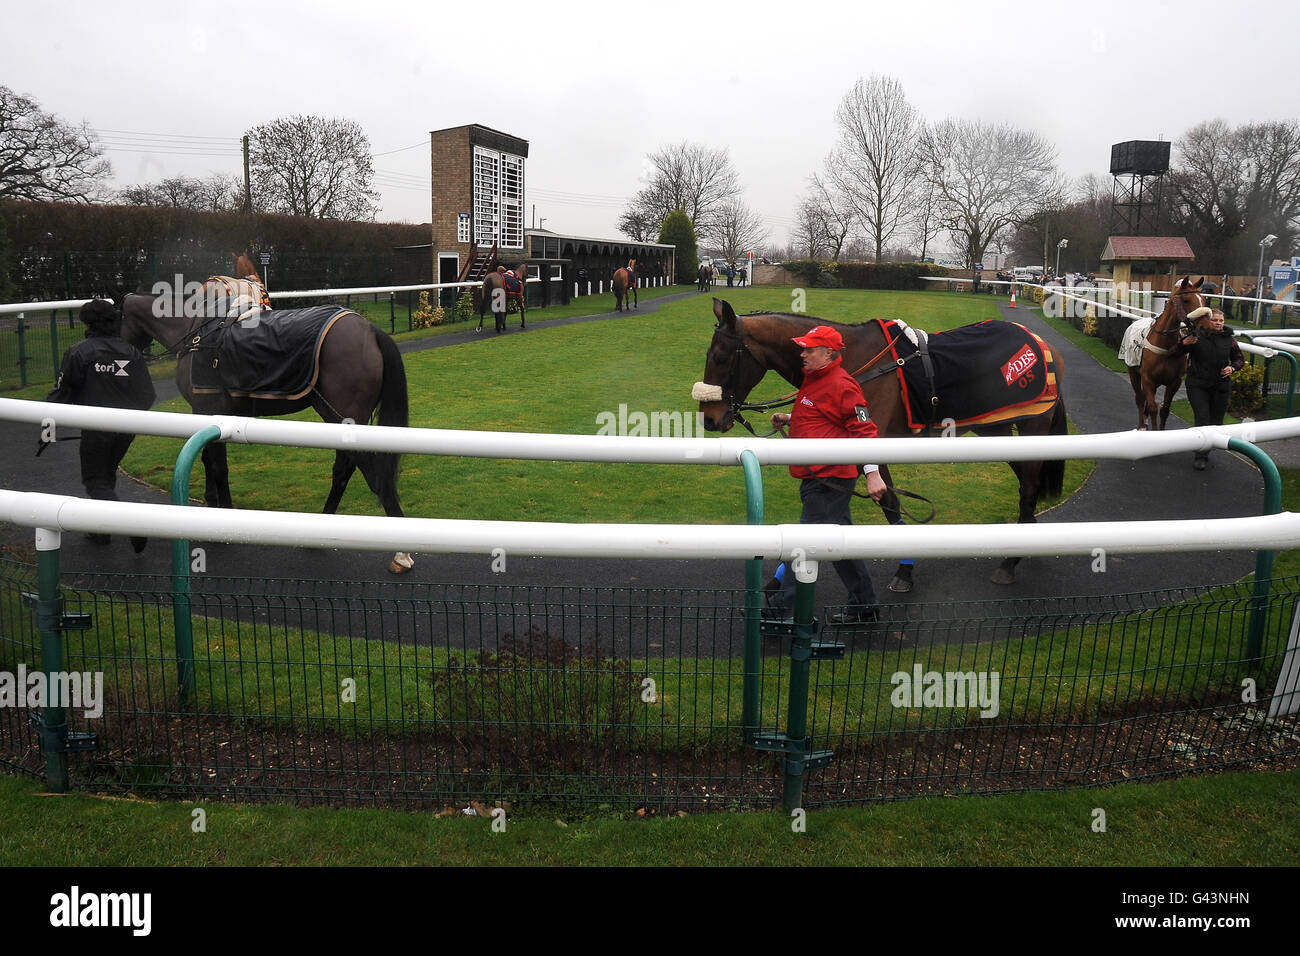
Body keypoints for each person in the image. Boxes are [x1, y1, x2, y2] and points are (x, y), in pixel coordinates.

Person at [767, 325, 886, 624]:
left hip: (830, 481)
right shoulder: (816, 378)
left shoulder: (843, 385)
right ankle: (865, 606)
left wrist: (873, 474)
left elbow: (864, 432)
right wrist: (790, 418)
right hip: (820, 478)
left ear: (828, 353)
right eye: (803, 348)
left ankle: (783, 612)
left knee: (805, 544)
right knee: (841, 547)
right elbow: (822, 417)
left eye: (809, 349)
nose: (802, 354)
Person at [46, 299, 156, 550]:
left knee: (95, 480)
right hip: (125, 430)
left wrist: (45, 421)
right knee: (106, 477)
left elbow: (62, 392)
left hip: (96, 430)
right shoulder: (132, 352)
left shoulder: (79, 351)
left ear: (87, 323)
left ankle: (131, 524)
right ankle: (102, 531)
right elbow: (147, 395)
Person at [1171, 308, 1244, 471]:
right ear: (1207, 321)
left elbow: (1239, 359)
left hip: (1221, 386)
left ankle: (1203, 448)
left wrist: (1232, 368)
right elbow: (1173, 352)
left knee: (1216, 422)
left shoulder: (1229, 340)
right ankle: (1200, 456)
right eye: (1215, 320)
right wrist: (1183, 343)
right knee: (1203, 419)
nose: (1218, 323)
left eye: (1221, 321)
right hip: (1198, 385)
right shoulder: (1196, 336)